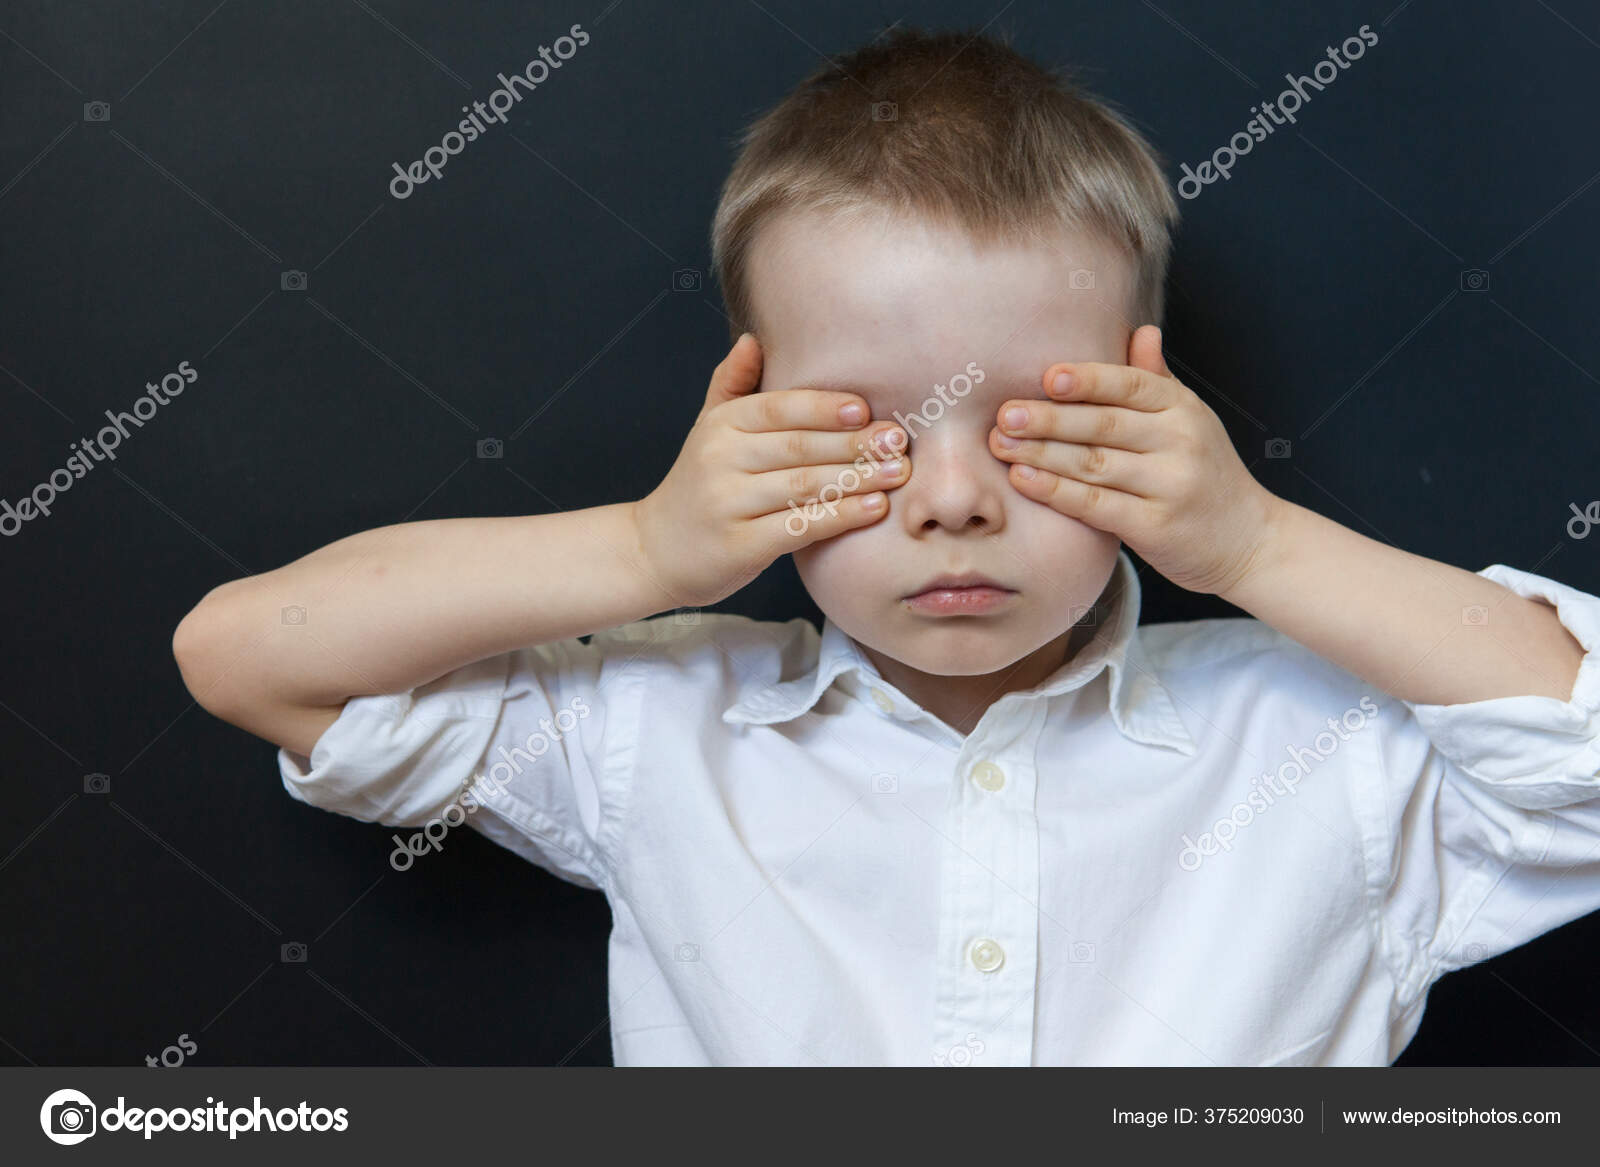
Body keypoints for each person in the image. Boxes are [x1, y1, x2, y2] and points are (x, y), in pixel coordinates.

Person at [172, 26, 1600, 1066]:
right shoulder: (658, 728)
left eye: (1042, 423)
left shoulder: (1327, 738)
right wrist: (646, 550)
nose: (956, 497)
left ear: (1157, 403)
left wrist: (1256, 543)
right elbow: (248, 656)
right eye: (871, 425)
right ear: (745, 411)